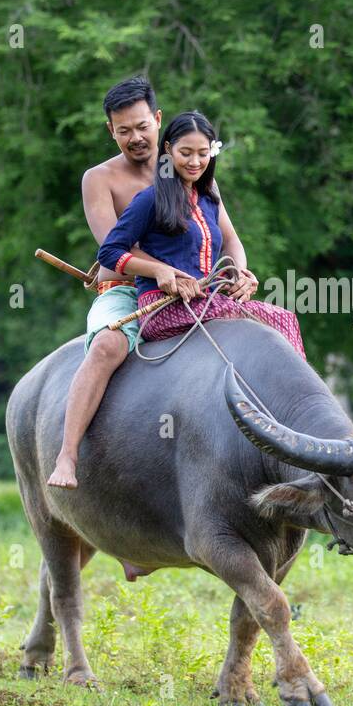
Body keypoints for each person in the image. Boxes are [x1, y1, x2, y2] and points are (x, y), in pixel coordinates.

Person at [47, 78, 256, 489]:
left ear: (157, 120)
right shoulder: (99, 178)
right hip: (130, 290)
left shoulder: (195, 170)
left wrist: (238, 271)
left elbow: (228, 237)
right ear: (111, 131)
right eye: (123, 130)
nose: (135, 137)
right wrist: (160, 271)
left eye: (142, 126)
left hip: (198, 287)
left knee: (261, 338)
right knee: (107, 344)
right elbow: (113, 249)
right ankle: (67, 455)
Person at [96, 110, 305, 361]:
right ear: (168, 150)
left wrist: (238, 277)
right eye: (186, 153)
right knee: (271, 322)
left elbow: (231, 245)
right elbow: (109, 252)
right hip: (164, 307)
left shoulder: (208, 200)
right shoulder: (150, 199)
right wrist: (158, 271)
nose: (195, 162)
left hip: (207, 301)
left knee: (286, 318)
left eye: (203, 154)